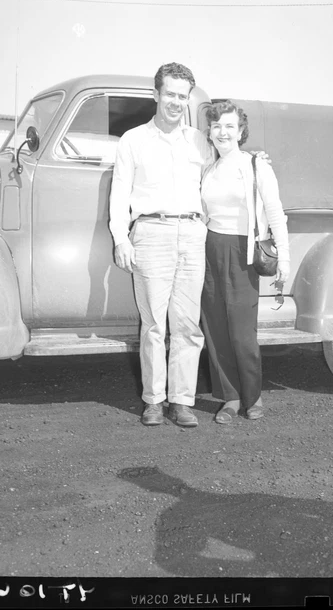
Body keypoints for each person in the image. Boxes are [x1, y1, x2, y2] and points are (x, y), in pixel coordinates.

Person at [108, 62, 212, 428]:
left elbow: (218, 181)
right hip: (151, 233)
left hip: (191, 234)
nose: (176, 102)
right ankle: (154, 400)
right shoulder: (133, 140)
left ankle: (182, 401)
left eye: (182, 97)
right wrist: (121, 237)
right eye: (169, 94)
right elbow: (119, 193)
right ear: (155, 94)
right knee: (154, 324)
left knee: (186, 323)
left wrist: (254, 163)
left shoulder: (200, 141)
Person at [200, 100, 290, 424]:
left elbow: (276, 213)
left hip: (243, 252)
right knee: (215, 328)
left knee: (241, 332)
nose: (222, 132)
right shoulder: (208, 170)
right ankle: (230, 397)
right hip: (210, 249)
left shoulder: (256, 166)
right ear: (209, 132)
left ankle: (253, 396)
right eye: (216, 126)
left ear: (240, 131)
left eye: (229, 126)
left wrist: (285, 258)